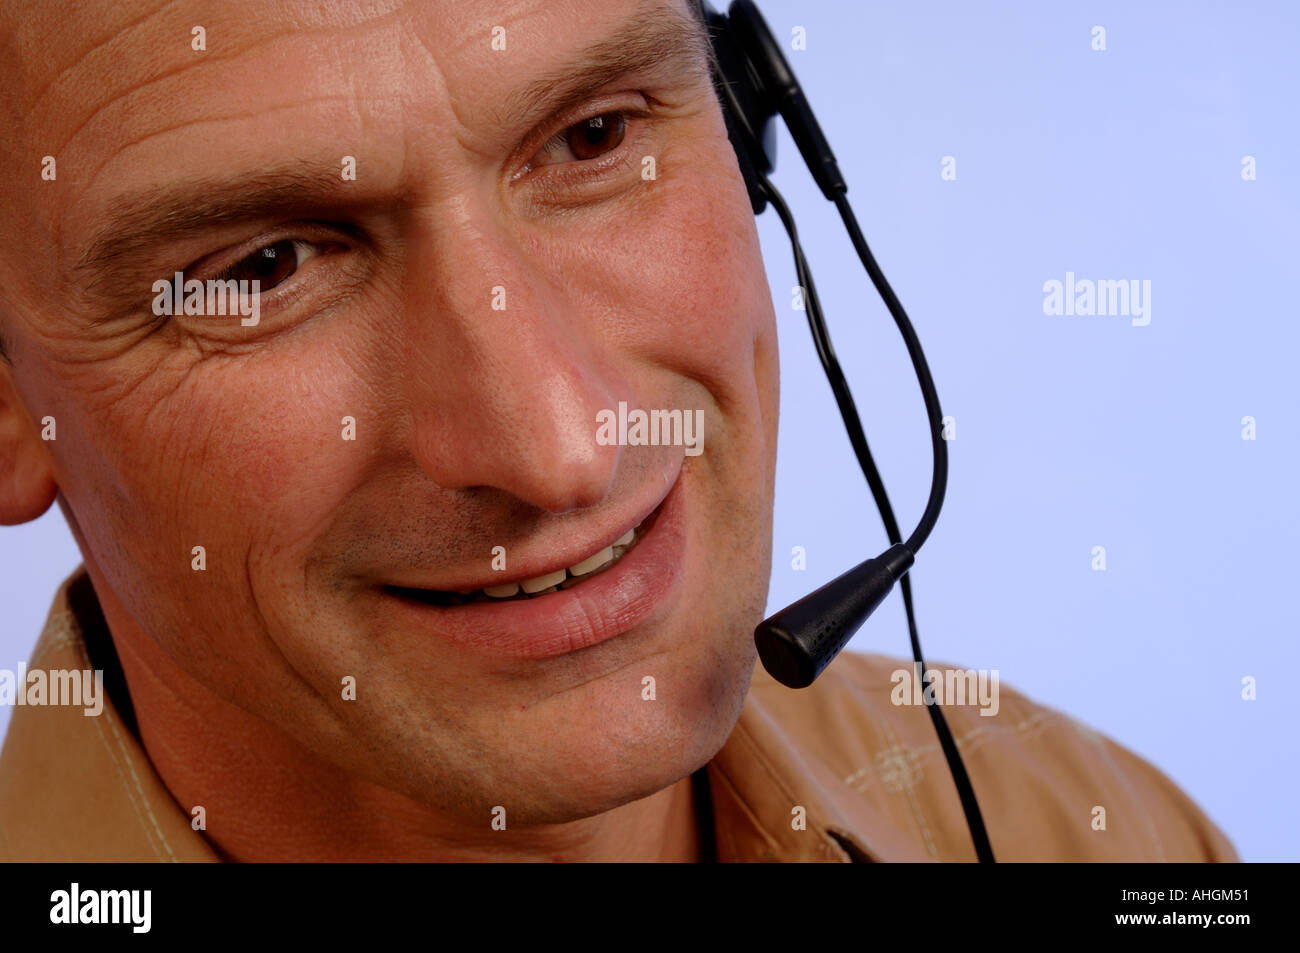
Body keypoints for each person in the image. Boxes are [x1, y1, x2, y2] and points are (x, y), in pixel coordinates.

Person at [0, 0, 1235, 862]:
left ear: (751, 125)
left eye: (595, 137)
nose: (561, 447)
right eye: (265, 266)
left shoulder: (1085, 823)